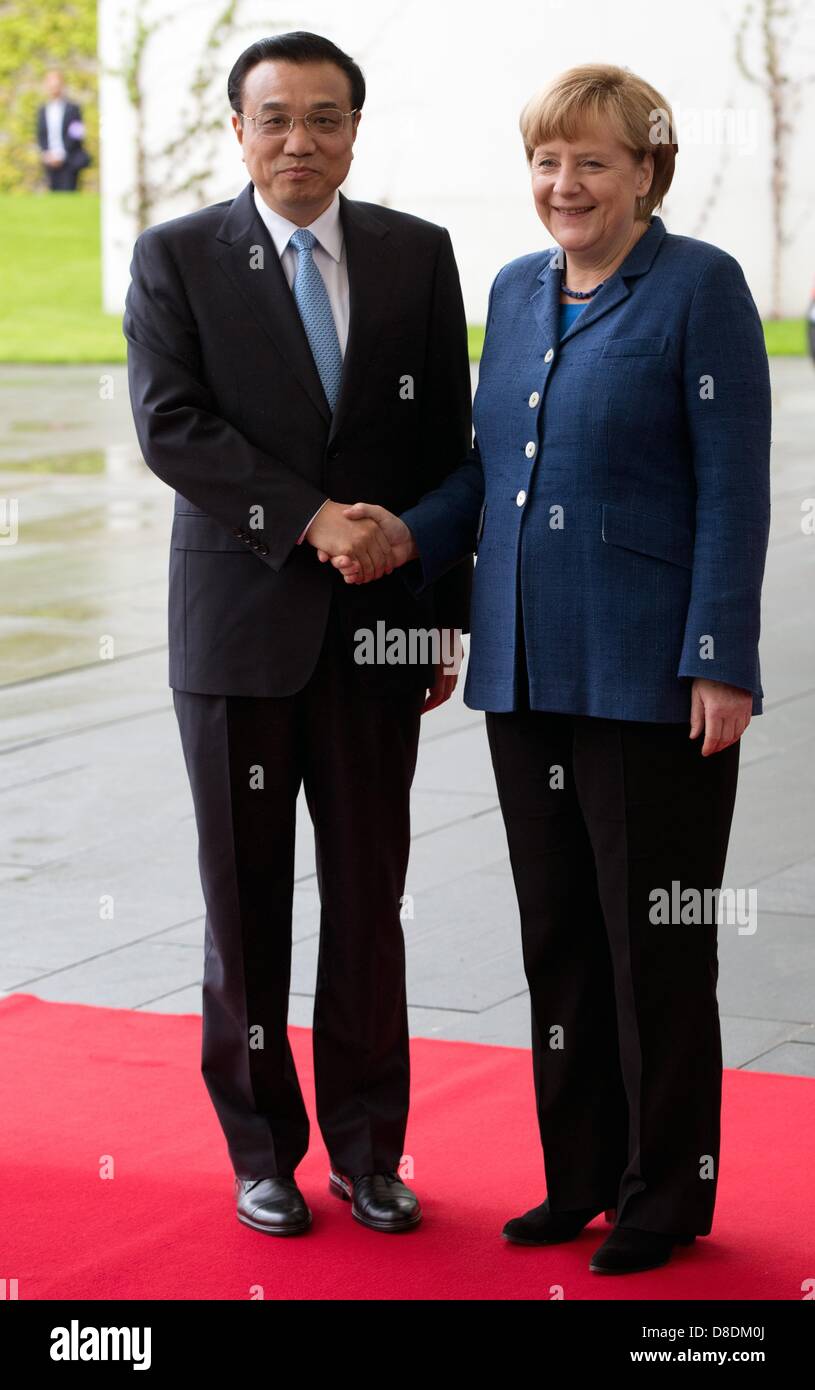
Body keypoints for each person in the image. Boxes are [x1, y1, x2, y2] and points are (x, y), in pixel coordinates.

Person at [328, 63, 772, 1275]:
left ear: (643, 172)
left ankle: (662, 1195)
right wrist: (411, 541)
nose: (562, 184)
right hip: (525, 671)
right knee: (558, 939)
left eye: (589, 162)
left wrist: (718, 659)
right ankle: (577, 1174)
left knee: (651, 943)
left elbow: (735, 490)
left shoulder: (700, 289)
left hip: (648, 677)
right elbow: (492, 472)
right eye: (544, 161)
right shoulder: (519, 292)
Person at [123, 31, 472, 1237]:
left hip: (379, 634)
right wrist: (310, 517)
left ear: (355, 130)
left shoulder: (415, 255)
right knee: (245, 902)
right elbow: (172, 428)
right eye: (275, 118)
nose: (299, 142)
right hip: (234, 631)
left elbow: (447, 453)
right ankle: (261, 1149)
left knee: (371, 899)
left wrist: (436, 616)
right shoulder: (177, 258)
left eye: (324, 118)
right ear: (238, 129)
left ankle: (371, 1150)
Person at [36, 69, 90, 191]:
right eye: (50, 85)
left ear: (62, 85)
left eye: (56, 85)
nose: (53, 88)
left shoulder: (73, 109)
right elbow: (41, 134)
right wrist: (47, 153)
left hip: (69, 160)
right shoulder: (43, 110)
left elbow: (77, 134)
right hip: (49, 160)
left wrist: (61, 154)